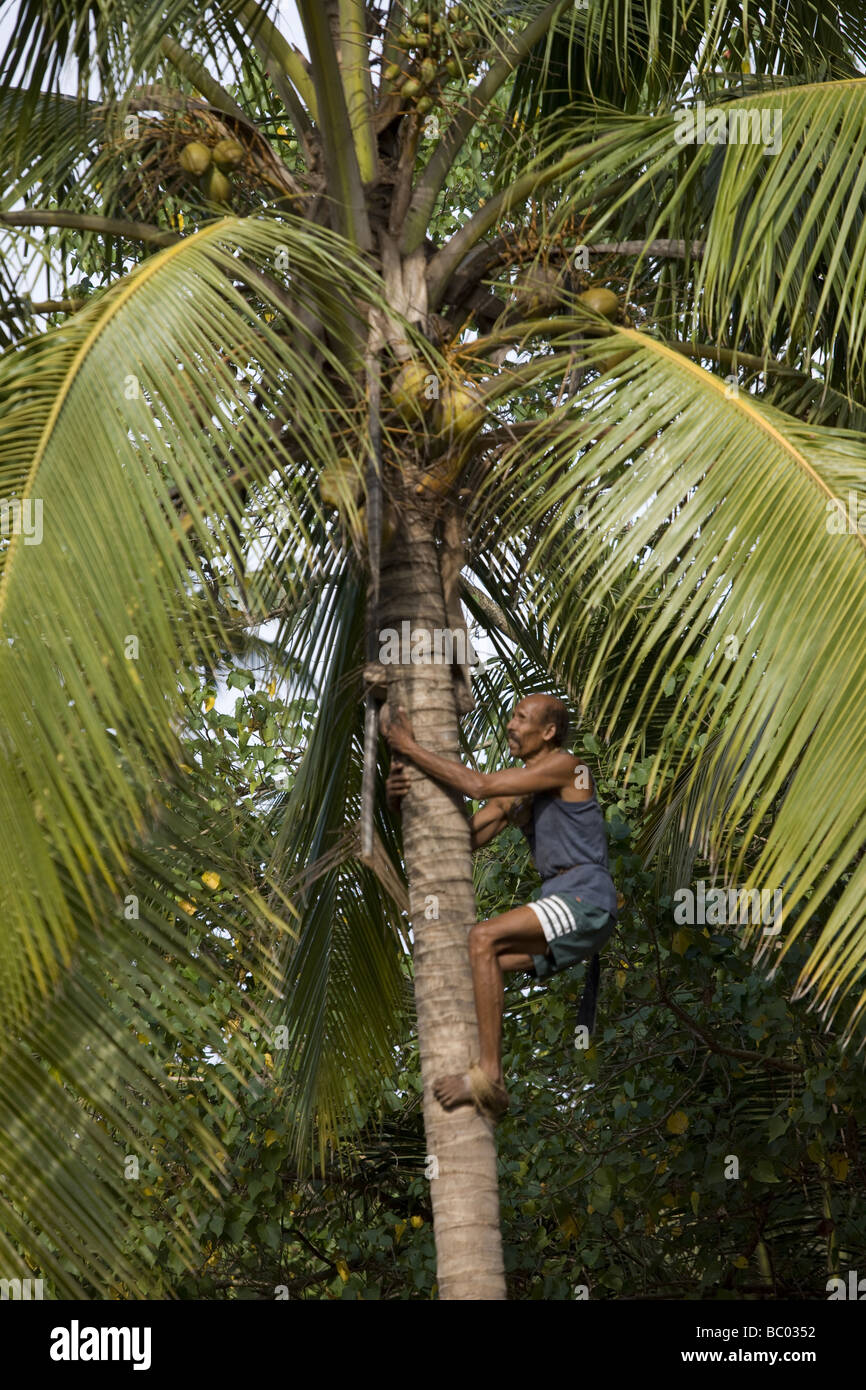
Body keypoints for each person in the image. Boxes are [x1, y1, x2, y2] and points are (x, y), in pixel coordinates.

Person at [380, 693, 618, 1122]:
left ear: (548, 732)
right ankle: (495, 1089)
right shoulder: (519, 796)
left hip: (585, 898)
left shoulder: (570, 766)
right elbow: (462, 842)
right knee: (482, 958)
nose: (510, 725)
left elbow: (479, 785)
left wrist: (410, 747)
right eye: (511, 715)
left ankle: (489, 1076)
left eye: (521, 718)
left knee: (482, 936)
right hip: (567, 905)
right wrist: (400, 800)